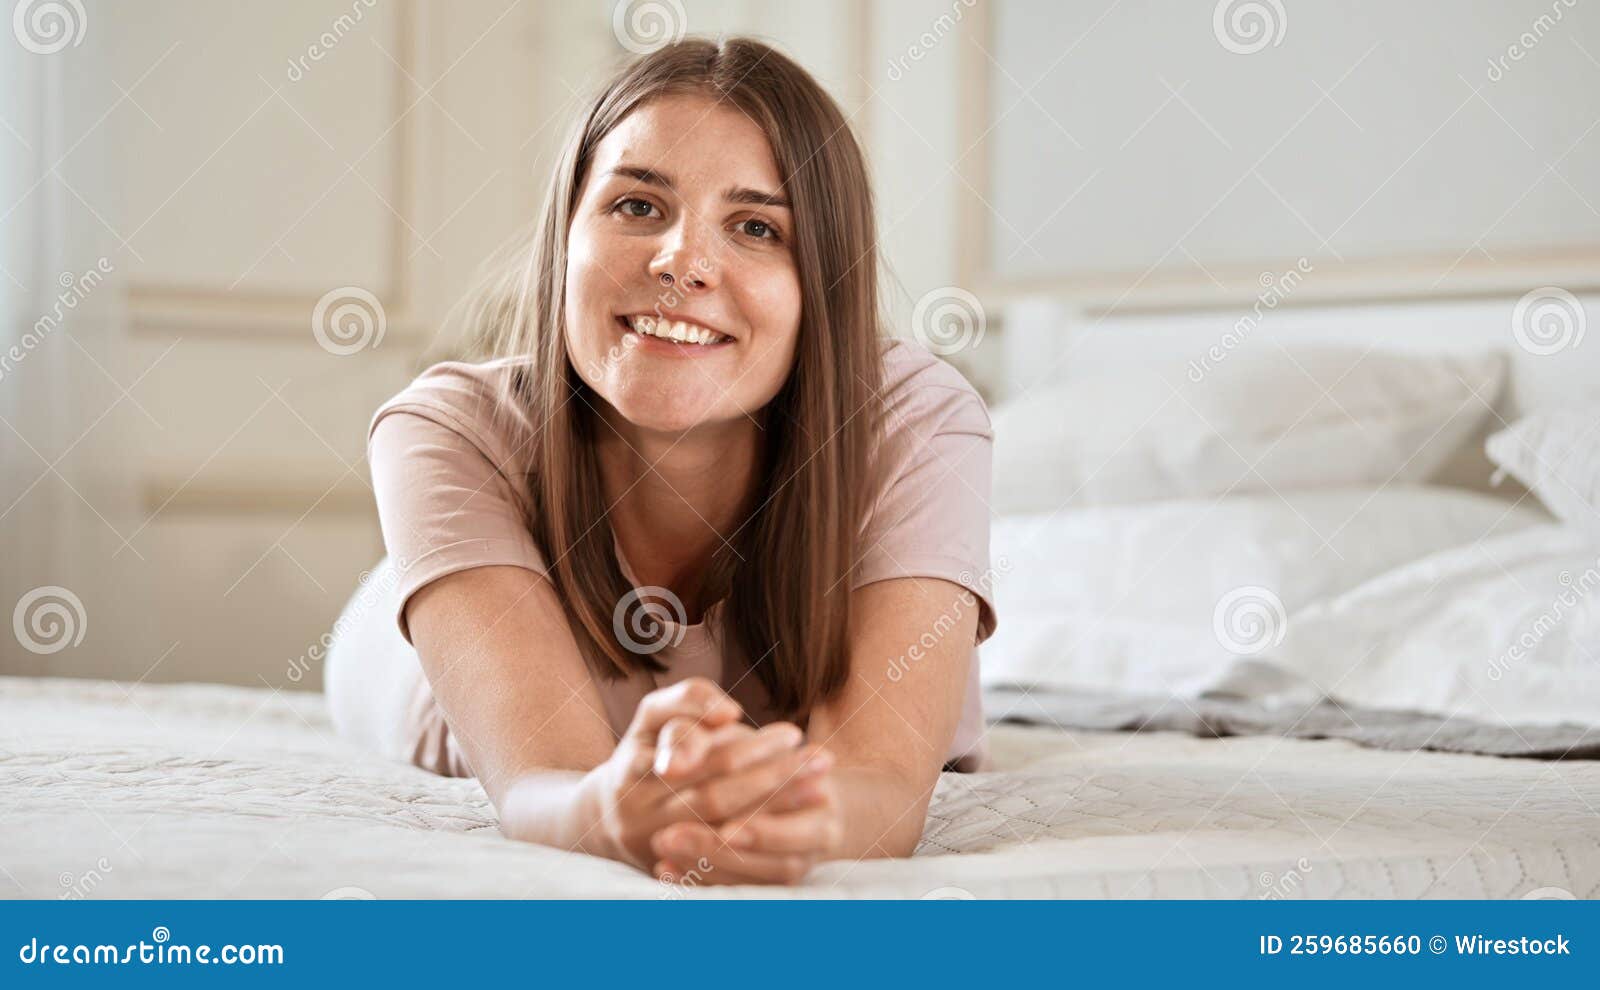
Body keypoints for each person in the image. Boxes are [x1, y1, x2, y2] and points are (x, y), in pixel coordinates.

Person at [327, 36, 996, 887]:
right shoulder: (446, 429)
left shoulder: (917, 420)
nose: (681, 261)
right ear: (566, 236)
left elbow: (883, 790)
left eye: (757, 227)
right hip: (440, 647)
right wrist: (602, 811)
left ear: (822, 283)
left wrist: (795, 822)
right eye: (638, 206)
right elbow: (541, 786)